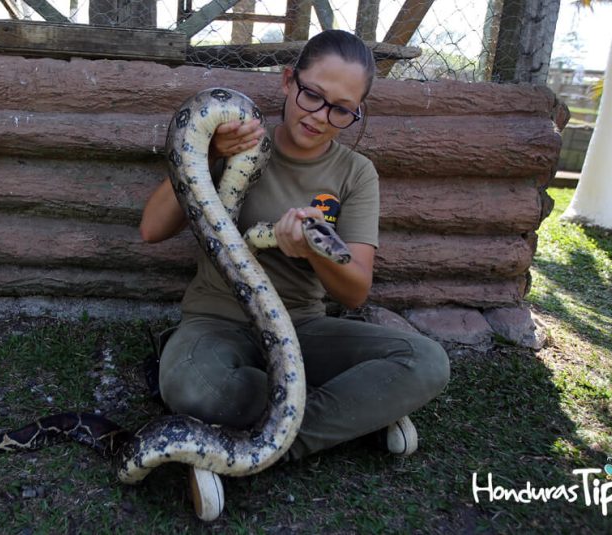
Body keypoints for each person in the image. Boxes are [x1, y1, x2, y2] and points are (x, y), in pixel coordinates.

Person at [140, 29, 449, 471]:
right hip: (216, 323)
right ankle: (355, 415)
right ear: (288, 81)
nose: (320, 116)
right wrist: (208, 154)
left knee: (426, 362)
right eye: (312, 95)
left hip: (301, 330)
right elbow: (151, 230)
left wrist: (313, 251)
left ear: (356, 112)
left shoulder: (356, 173)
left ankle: (247, 448)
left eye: (341, 109)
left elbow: (355, 291)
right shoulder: (236, 140)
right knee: (195, 386)